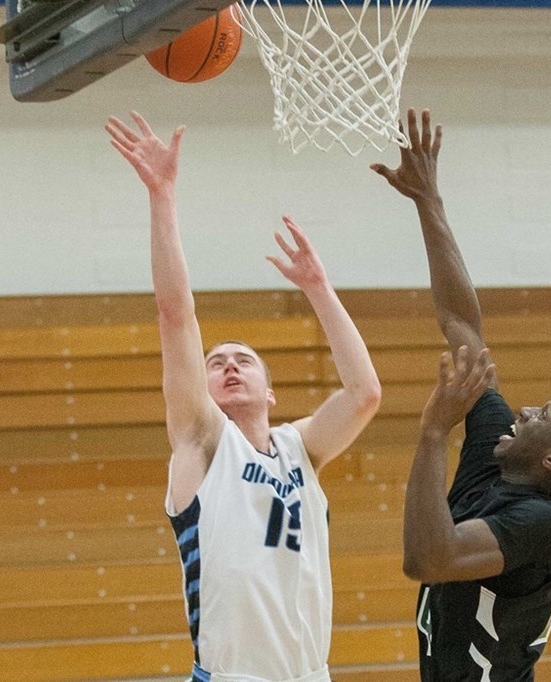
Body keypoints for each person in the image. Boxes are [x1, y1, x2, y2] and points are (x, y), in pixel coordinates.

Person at [106, 112, 382, 682]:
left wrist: (319, 289)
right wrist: (163, 197)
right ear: (201, 390)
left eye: (245, 361)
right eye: (216, 363)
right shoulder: (202, 441)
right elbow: (176, 316)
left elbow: (365, 393)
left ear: (270, 392)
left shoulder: (300, 448)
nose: (230, 365)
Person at [371, 108, 551, 681]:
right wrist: (428, 203)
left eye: (549, 413)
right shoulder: (499, 450)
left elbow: (428, 560)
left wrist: (434, 432)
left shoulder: (544, 522)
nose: (528, 408)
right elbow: (463, 326)